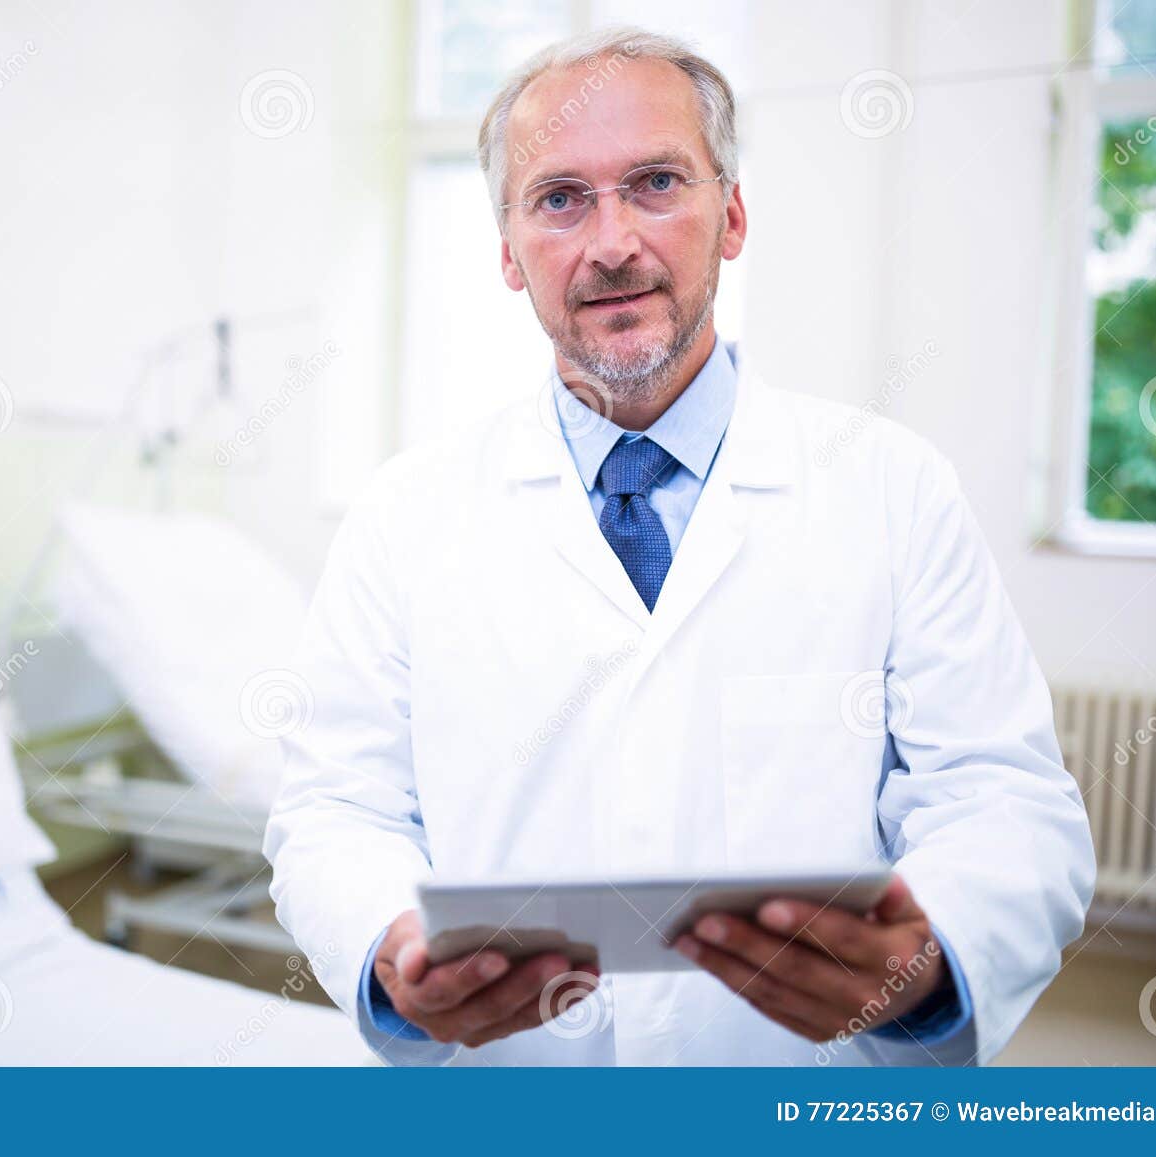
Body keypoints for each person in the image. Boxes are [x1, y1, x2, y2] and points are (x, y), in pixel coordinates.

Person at [264, 25, 1094, 1066]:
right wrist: (386, 949)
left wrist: (930, 960)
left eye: (655, 182)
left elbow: (1001, 795)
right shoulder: (403, 513)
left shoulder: (894, 488)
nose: (611, 243)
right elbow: (334, 805)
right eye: (558, 198)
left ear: (731, 215)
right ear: (509, 253)